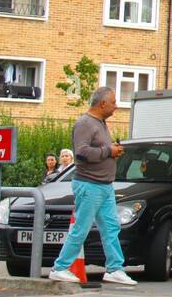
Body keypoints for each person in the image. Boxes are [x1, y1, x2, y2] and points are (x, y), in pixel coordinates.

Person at [49, 87, 136, 285]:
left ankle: (115, 268)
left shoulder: (99, 123)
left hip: (103, 185)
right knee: (81, 227)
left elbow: (95, 150)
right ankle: (60, 267)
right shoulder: (85, 123)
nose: (116, 106)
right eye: (113, 102)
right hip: (89, 184)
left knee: (111, 227)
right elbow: (81, 152)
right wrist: (108, 151)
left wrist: (109, 150)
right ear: (102, 103)